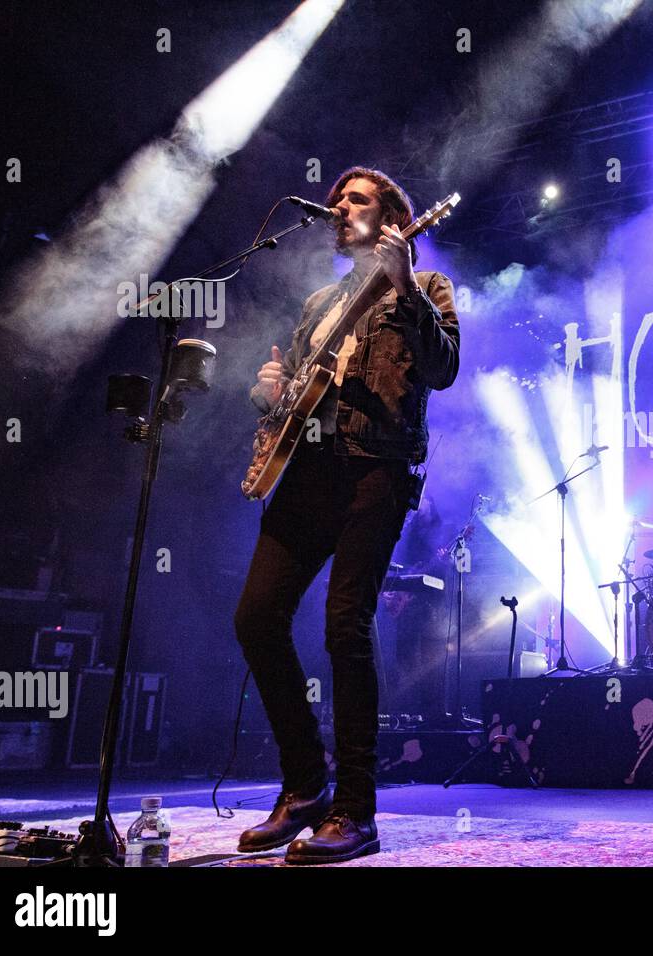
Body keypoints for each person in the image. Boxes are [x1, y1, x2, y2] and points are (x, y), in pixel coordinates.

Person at [232, 167, 459, 864]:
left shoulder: (426, 289)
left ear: (393, 219)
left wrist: (403, 290)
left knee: (344, 625)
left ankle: (356, 810)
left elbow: (445, 369)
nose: (337, 207)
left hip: (374, 471)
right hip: (308, 473)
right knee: (256, 617)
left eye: (355, 199)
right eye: (336, 198)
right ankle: (305, 786)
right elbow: (299, 398)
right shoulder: (319, 302)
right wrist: (270, 396)